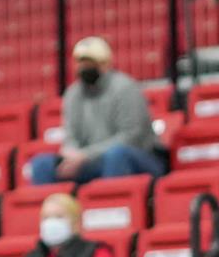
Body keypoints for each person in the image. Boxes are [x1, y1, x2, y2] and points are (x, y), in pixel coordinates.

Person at [23, 37, 163, 186]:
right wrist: (71, 155)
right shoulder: (72, 94)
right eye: (81, 62)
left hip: (142, 158)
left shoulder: (125, 88)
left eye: (90, 63)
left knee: (116, 155)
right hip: (91, 161)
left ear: (105, 64)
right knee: (42, 165)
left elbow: (131, 138)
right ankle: (58, 209)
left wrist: (85, 155)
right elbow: (71, 136)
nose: (84, 67)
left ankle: (109, 207)